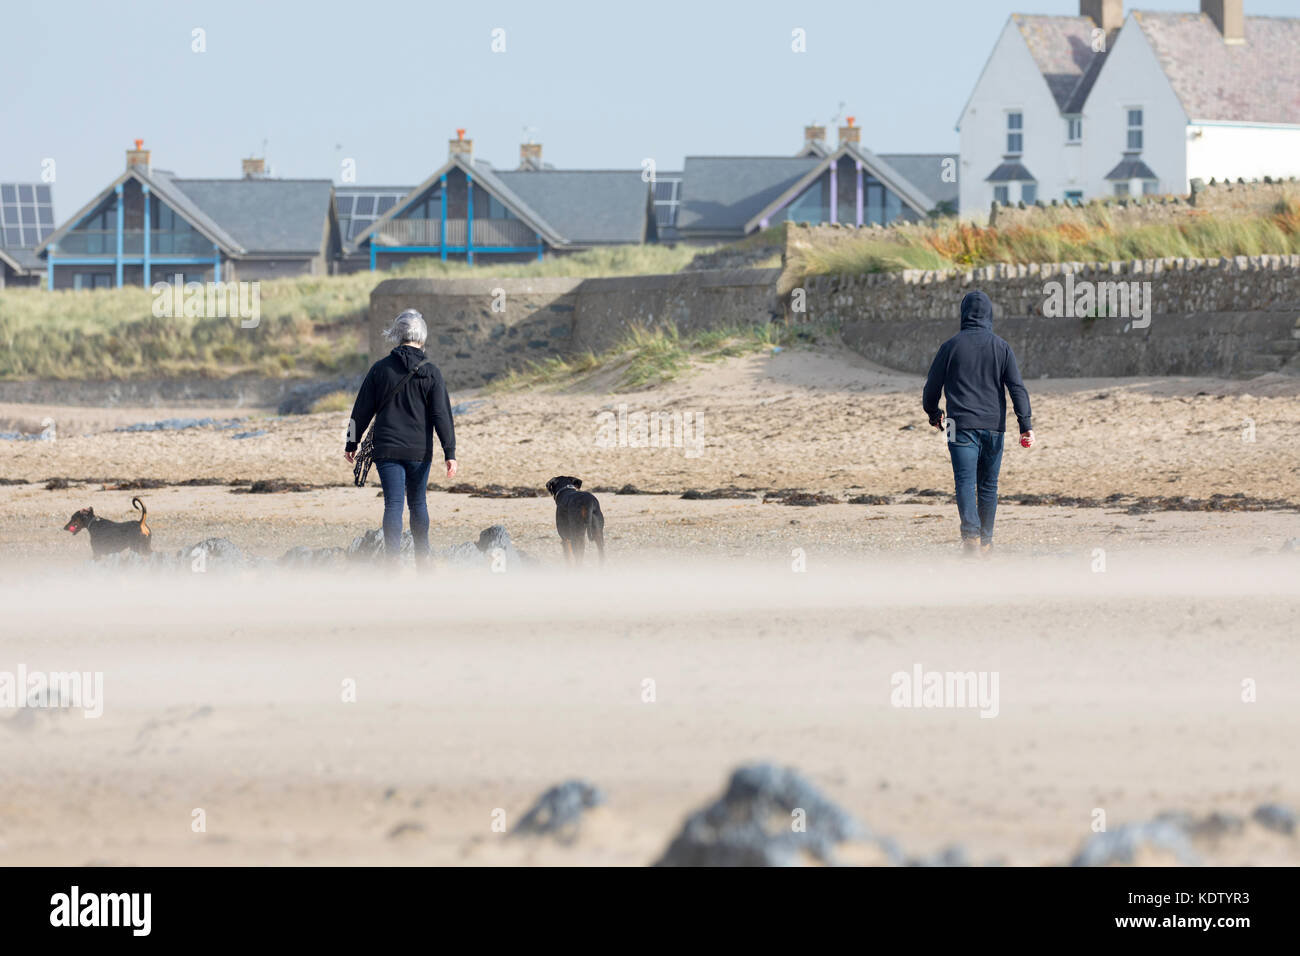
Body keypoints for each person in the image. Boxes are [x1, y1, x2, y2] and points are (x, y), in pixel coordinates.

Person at [922, 290, 1034, 555]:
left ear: (963, 313)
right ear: (989, 315)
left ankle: (971, 538)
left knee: (964, 482)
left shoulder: (950, 347)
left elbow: (931, 388)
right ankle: (986, 543)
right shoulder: (1001, 347)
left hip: (958, 425)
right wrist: (1025, 424)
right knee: (988, 486)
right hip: (994, 425)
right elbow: (1017, 388)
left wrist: (934, 414)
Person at [345, 309, 457, 566]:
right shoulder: (431, 372)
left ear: (397, 335)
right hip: (419, 450)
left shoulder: (380, 369)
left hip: (387, 450)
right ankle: (423, 562)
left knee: (393, 504)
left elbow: (360, 410)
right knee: (418, 503)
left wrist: (351, 442)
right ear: (422, 337)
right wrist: (449, 453)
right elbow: (441, 415)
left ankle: (392, 566)